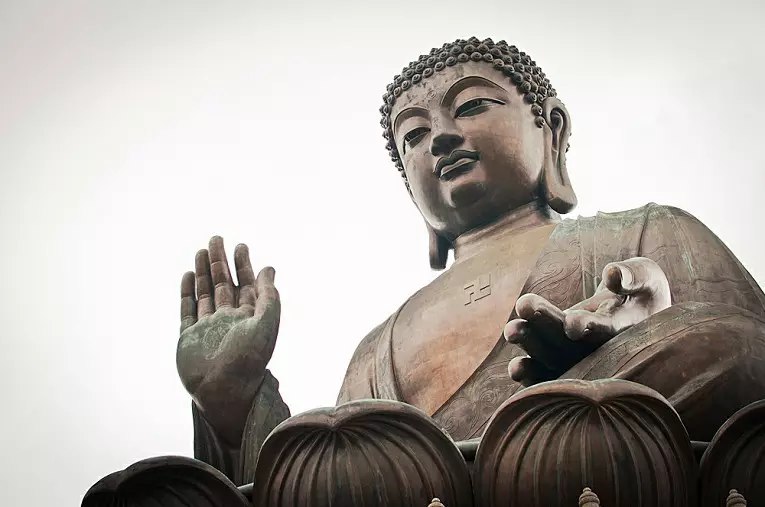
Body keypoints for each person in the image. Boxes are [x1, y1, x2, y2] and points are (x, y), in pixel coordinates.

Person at [175, 37, 765, 486]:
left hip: (593, 467)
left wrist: (626, 341)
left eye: (473, 105)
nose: (441, 138)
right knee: (336, 456)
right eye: (414, 136)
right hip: (424, 488)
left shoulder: (649, 230)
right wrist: (234, 403)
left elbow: (747, 359)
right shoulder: (376, 348)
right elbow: (323, 471)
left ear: (551, 128)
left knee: (721, 352)